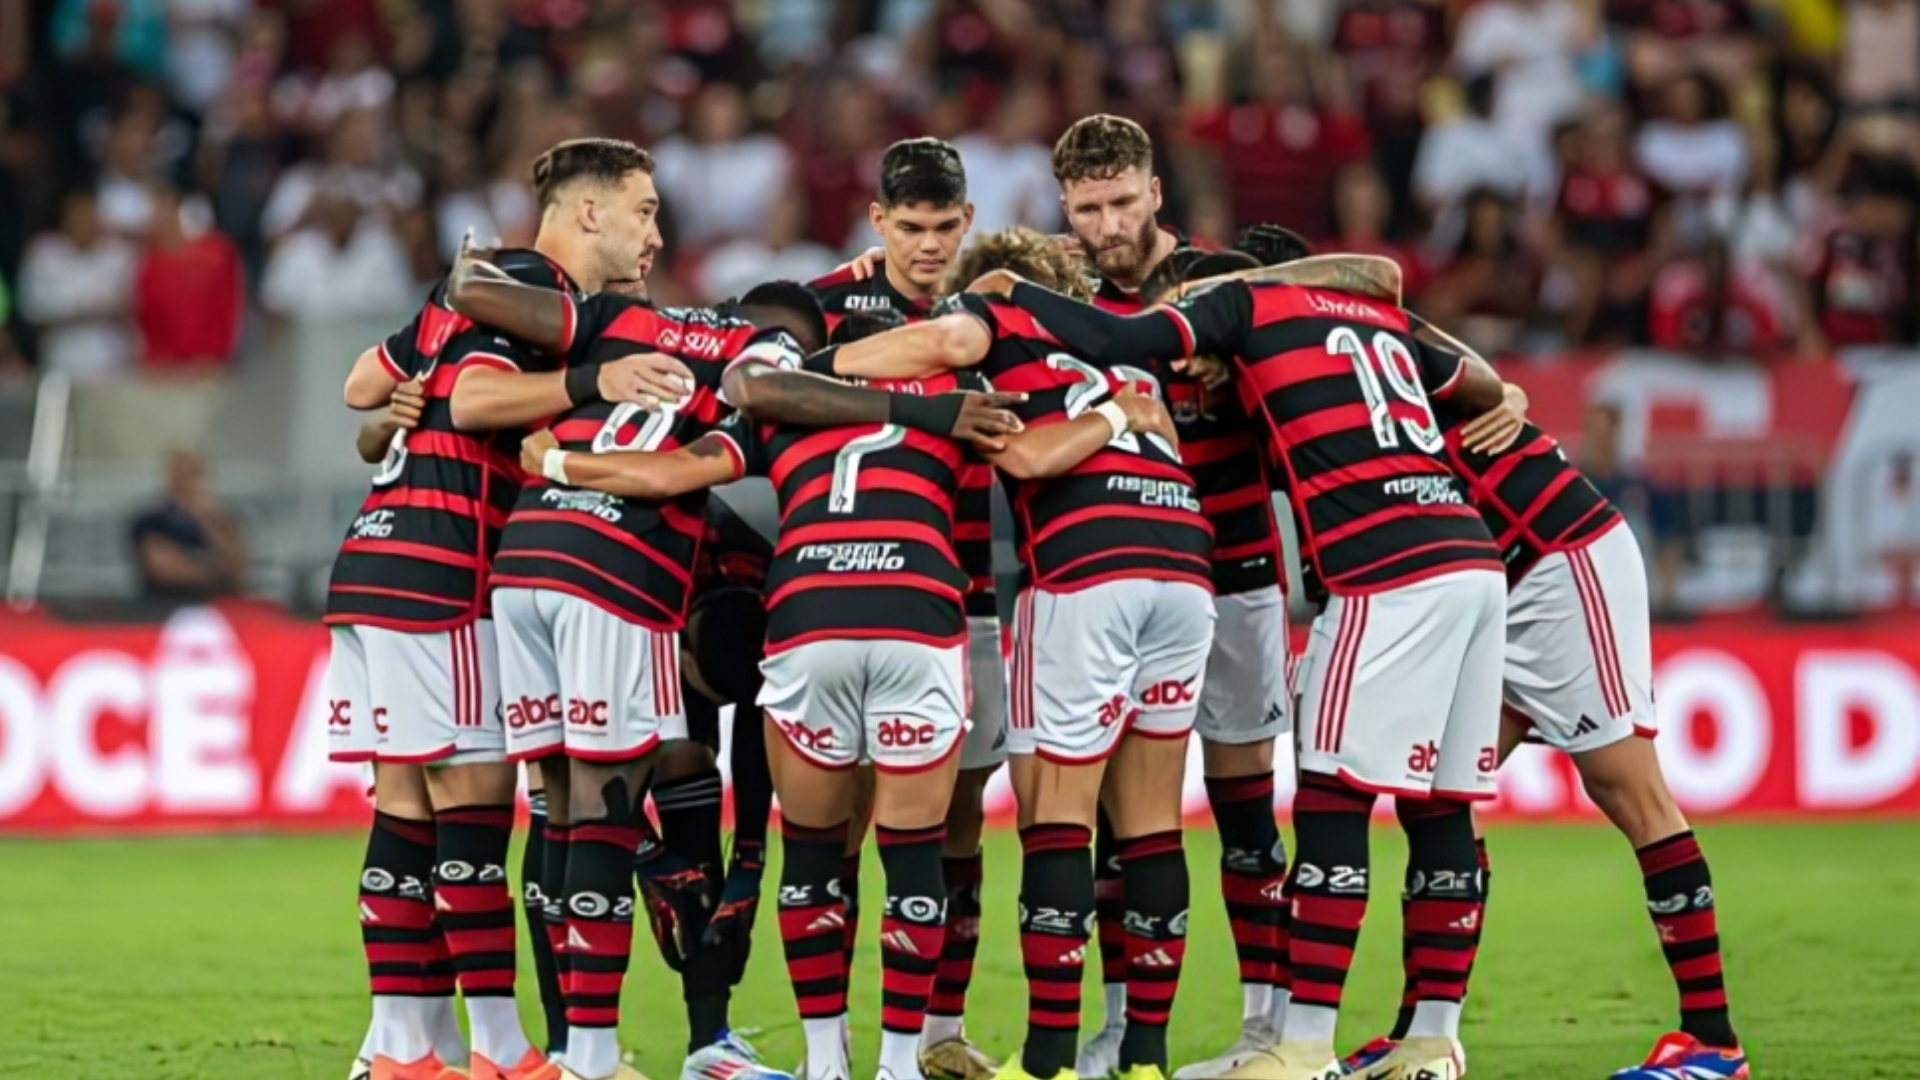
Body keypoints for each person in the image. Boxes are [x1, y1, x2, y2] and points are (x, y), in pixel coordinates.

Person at [445, 264, 1020, 1080]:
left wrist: (559, 466)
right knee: (913, 849)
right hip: (914, 617)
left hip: (799, 612)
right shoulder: (951, 405)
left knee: (807, 854)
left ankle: (812, 1063)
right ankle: (891, 1063)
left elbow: (667, 476)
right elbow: (1032, 455)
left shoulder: (765, 414)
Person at [984, 254, 1514, 1080]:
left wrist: (1011, 289)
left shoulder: (1242, 309)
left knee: (1332, 800)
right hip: (1473, 557)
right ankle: (1432, 1044)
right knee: (1444, 808)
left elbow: (1114, 332)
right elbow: (1481, 383)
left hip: (1381, 568)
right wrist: (1511, 398)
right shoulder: (1374, 319)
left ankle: (1298, 1048)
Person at [806, 228, 1212, 1080]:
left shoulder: (1003, 325)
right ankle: (1143, 1058)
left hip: (1089, 567)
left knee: (1055, 818)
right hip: (1186, 568)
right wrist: (1120, 412)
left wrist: (823, 363)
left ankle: (1053, 1061)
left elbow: (1025, 453)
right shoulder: (1125, 355)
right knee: (1151, 826)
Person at [329, 138, 691, 1080]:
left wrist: (406, 402)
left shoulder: (469, 289)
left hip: (374, 557)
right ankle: (492, 1049)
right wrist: (589, 380)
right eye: (643, 210)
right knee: (475, 810)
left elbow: (363, 388)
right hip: (444, 565)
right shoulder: (538, 297)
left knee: (404, 806)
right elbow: (481, 397)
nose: (656, 230)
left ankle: (404, 1044)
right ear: (587, 213)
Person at [1343, 333, 1749, 1080]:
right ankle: (1422, 1039)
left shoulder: (1358, 340)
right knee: (1435, 796)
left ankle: (1714, 1041)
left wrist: (1503, 393)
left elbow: (1476, 373)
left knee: (1629, 789)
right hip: (1482, 578)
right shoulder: (1315, 371)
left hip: (1558, 562)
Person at [1049, 114, 1295, 1080]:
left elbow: (1333, 334)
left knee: (1243, 813)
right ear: (1065, 209)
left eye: (1122, 201)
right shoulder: (1059, 295)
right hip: (1116, 583)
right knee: (1123, 824)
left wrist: (1236, 369)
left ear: (1157, 193)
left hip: (1234, 574)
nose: (1109, 224)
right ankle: (1118, 1027)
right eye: (1088, 207)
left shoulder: (1234, 281)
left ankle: (1269, 1028)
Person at [806, 140, 1008, 1080]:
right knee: (842, 823)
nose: (929, 246)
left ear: (967, 220)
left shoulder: (995, 310)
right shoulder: (823, 306)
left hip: (967, 596)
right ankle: (837, 1041)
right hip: (852, 586)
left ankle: (938, 1032)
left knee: (956, 819)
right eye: (911, 228)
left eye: (944, 227)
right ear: (877, 219)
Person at [130, 449, 248, 601]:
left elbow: (237, 567)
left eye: (195, 474)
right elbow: (166, 570)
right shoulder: (152, 521)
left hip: (218, 605)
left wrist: (212, 521)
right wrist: (215, 572)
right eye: (182, 472)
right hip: (167, 606)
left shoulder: (220, 518)